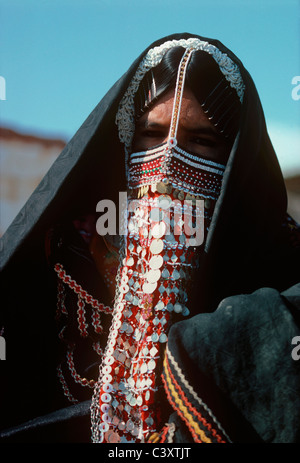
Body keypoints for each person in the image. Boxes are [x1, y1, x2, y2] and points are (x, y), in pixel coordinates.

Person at [0, 33, 299, 444]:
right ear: (125, 142)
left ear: (234, 157)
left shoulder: (281, 256)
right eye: (152, 135)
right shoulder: (65, 257)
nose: (169, 161)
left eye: (202, 140)